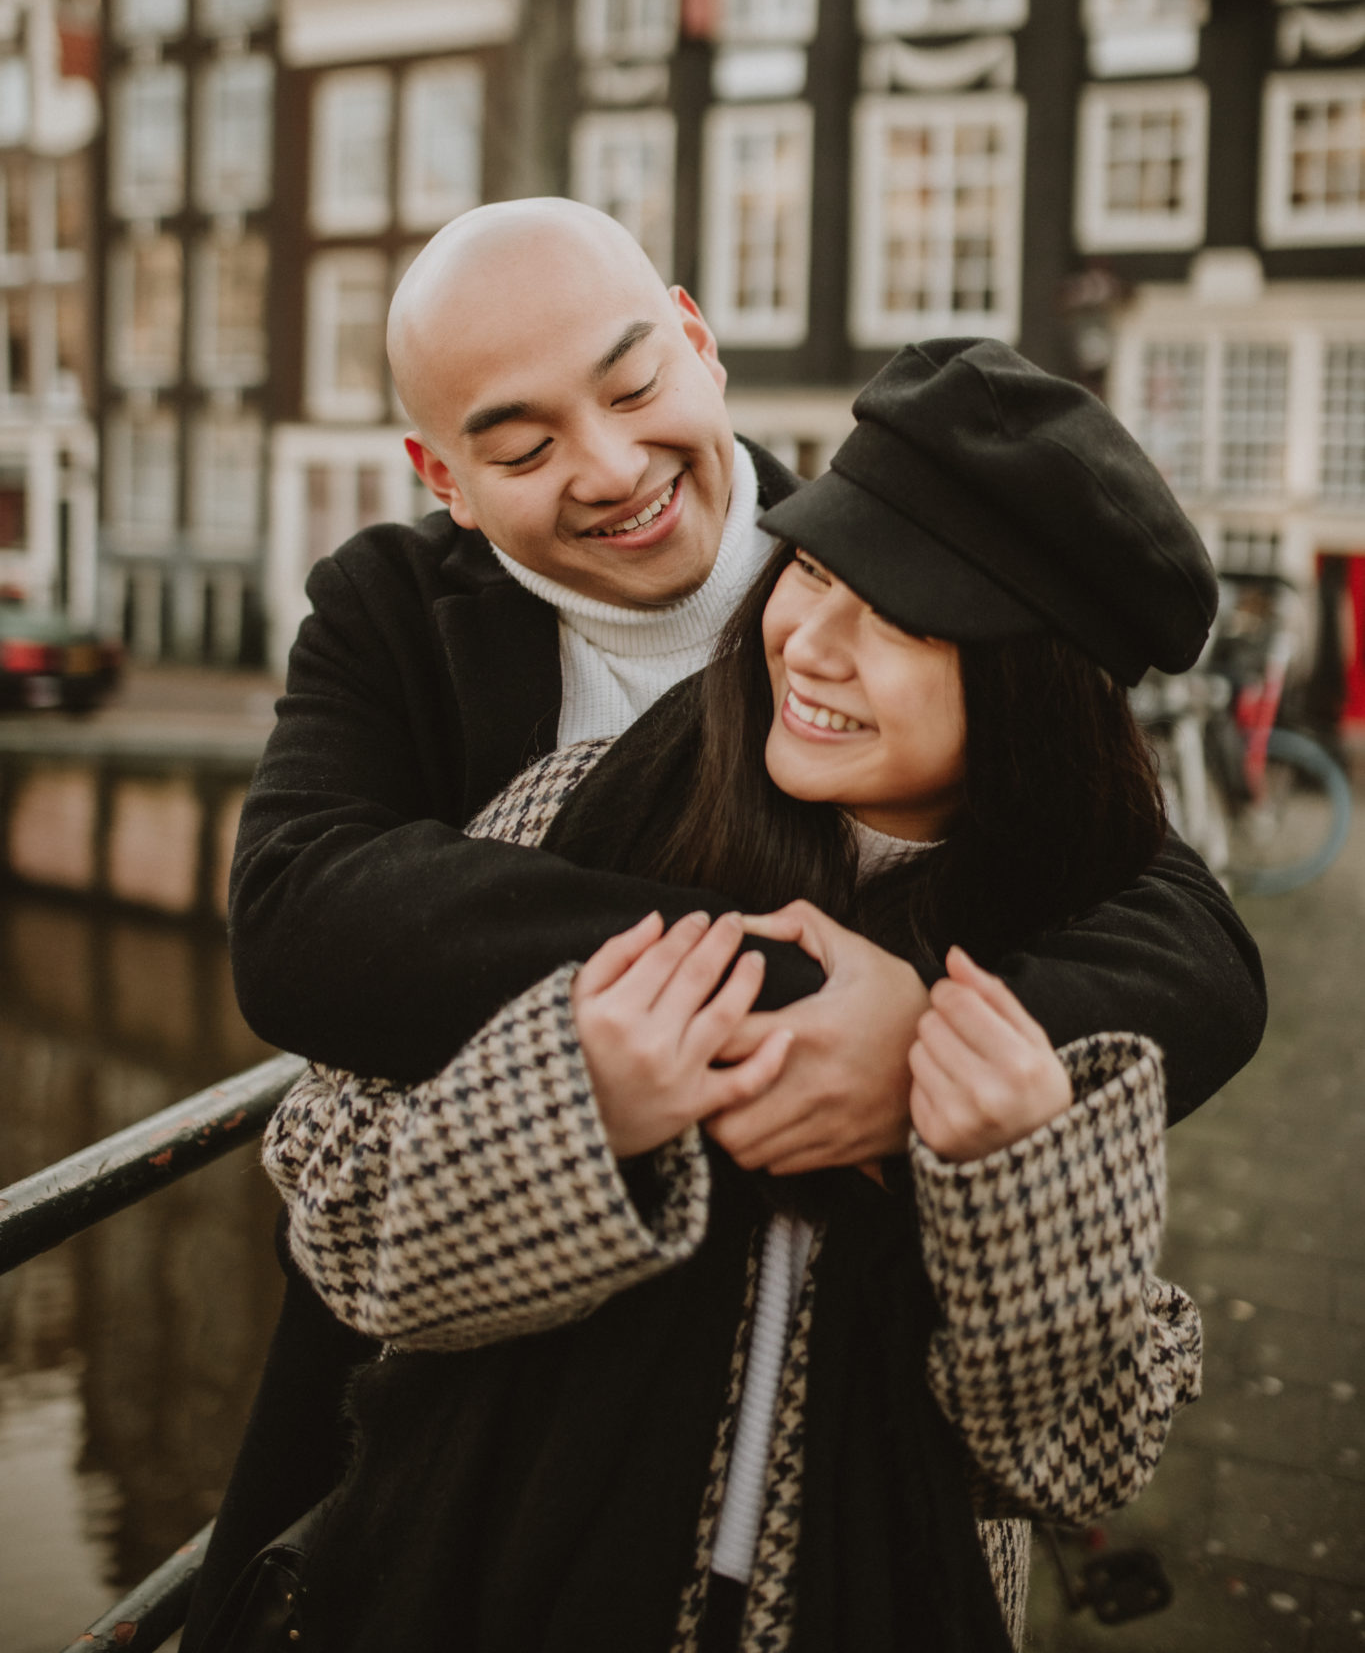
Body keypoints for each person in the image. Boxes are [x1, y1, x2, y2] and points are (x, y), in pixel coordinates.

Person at [182, 203, 1263, 1640]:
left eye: (632, 388)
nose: (611, 467)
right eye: (521, 447)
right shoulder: (412, 639)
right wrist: (766, 990)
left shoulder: (906, 535)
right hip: (489, 1492)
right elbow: (303, 922)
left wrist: (945, 1063)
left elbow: (1175, 930)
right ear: (440, 476)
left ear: (696, 339)